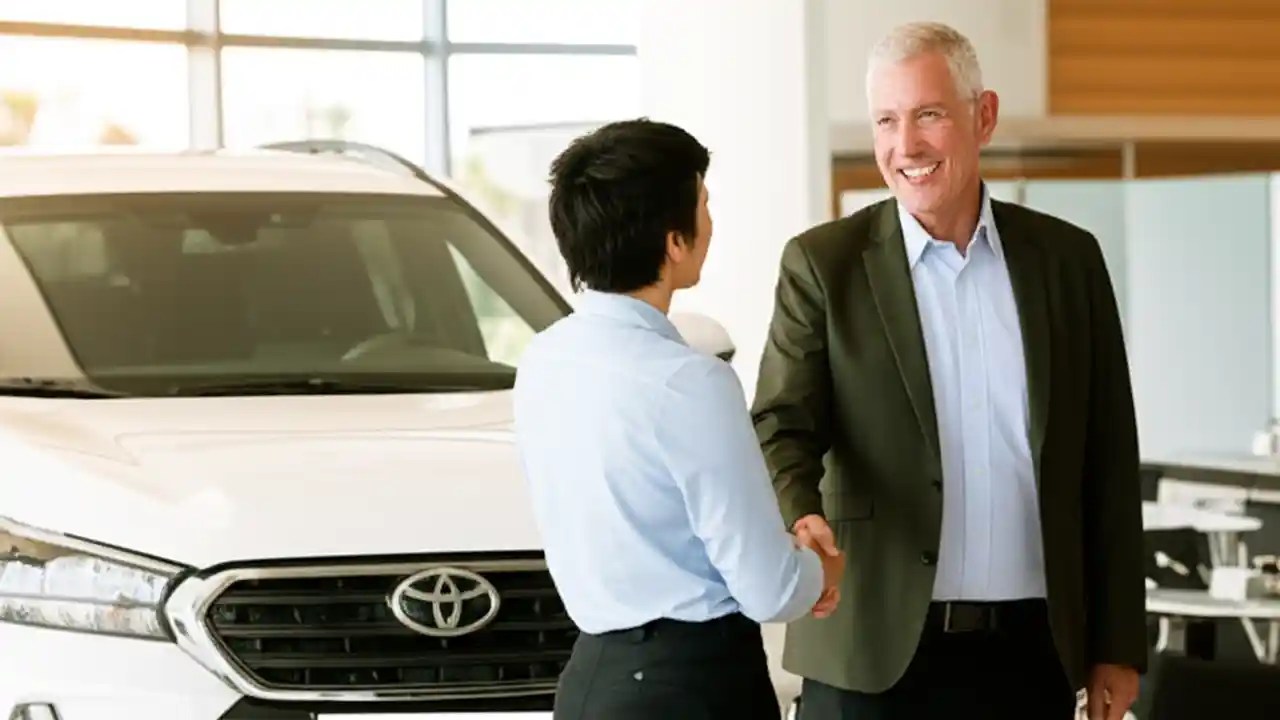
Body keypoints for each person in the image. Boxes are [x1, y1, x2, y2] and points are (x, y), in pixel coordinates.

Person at [751, 22, 1146, 720]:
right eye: (887, 121)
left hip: (1028, 659)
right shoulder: (824, 264)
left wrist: (1117, 642)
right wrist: (800, 513)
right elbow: (782, 424)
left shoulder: (1068, 262)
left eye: (929, 115)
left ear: (982, 115)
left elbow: (1108, 460)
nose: (907, 146)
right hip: (870, 656)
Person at [513, 119, 845, 720]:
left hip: (591, 682)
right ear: (674, 241)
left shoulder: (542, 361)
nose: (710, 223)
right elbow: (766, 588)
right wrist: (818, 568)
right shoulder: (691, 382)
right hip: (692, 687)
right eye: (704, 204)